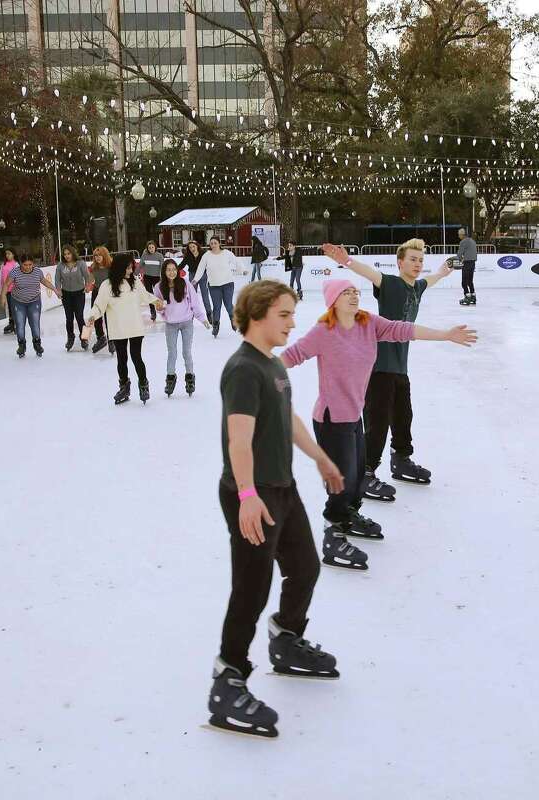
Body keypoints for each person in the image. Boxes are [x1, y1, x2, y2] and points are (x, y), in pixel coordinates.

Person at [207, 280, 344, 739]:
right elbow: (238, 439)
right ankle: (228, 678)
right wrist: (247, 496)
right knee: (252, 587)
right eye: (284, 314)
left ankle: (286, 638)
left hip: (282, 489)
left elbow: (287, 418)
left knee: (305, 568)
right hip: (254, 495)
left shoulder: (273, 365)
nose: (292, 322)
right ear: (259, 314)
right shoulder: (243, 369)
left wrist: (320, 458)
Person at [280, 279, 477, 571]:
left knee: (359, 473)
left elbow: (404, 330)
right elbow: (291, 356)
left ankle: (349, 514)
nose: (353, 296)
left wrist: (445, 335)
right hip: (331, 418)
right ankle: (332, 531)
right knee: (341, 477)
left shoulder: (369, 323)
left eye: (355, 292)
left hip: (354, 415)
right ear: (333, 300)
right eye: (346, 293)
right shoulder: (324, 331)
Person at [319, 239, 455, 501]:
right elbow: (370, 273)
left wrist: (442, 271)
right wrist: (345, 261)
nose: (417, 264)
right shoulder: (390, 284)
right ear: (400, 262)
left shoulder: (418, 287)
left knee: (404, 416)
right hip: (379, 366)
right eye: (412, 259)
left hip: (400, 367)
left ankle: (401, 459)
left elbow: (432, 280)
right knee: (377, 422)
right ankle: (365, 473)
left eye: (420, 260)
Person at [82, 253, 164, 405]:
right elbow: (100, 305)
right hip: (118, 328)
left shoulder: (135, 283)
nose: (131, 270)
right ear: (119, 268)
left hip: (134, 327)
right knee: (122, 359)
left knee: (136, 357)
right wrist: (93, 316)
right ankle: (124, 386)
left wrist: (156, 301)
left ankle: (143, 384)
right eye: (128, 268)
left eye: (131, 267)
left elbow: (145, 295)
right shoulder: (107, 285)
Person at [154, 257, 210, 397]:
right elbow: (159, 307)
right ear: (164, 271)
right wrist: (160, 309)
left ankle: (190, 378)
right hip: (171, 325)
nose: (171, 272)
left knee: (186, 352)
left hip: (186, 323)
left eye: (174, 269)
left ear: (177, 271)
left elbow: (194, 303)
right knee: (172, 353)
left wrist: (202, 319)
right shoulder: (159, 287)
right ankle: (170, 379)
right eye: (168, 270)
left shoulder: (185, 283)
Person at [3, 253, 60, 358]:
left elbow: (44, 281)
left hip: (34, 301)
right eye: (25, 265)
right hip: (18, 302)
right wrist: (3, 297)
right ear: (21, 264)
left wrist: (55, 290)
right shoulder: (15, 272)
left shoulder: (37, 271)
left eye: (30, 264)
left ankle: (37, 344)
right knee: (20, 324)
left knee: (35, 324)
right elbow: (6, 284)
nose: (28, 267)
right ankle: (21, 345)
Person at [193, 236, 239, 337]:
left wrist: (242, 269)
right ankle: (216, 326)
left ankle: (233, 320)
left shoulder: (227, 253)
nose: (213, 245)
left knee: (228, 305)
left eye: (215, 243)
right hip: (214, 285)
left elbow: (236, 261)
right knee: (216, 307)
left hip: (228, 284)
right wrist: (196, 279)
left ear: (219, 244)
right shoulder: (206, 255)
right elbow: (201, 268)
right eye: (211, 243)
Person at [54, 245, 92, 351]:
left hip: (79, 294)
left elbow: (88, 276)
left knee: (79, 316)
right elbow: (57, 279)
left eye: (68, 253)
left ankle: (84, 338)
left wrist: (88, 286)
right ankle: (70, 337)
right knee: (69, 318)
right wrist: (58, 290)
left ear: (73, 253)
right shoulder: (60, 265)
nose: (67, 256)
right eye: (65, 254)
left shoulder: (81, 263)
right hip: (66, 295)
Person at [86, 245, 114, 354]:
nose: (97, 257)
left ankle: (111, 339)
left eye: (99, 255)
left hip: (109, 294)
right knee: (96, 316)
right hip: (97, 293)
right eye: (95, 256)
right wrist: (87, 286)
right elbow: (91, 280)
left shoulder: (111, 266)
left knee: (109, 317)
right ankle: (101, 337)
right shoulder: (93, 267)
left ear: (104, 255)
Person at [183, 239, 211, 321]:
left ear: (197, 246)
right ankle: (190, 315)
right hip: (192, 276)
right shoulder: (188, 256)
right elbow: (181, 265)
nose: (192, 248)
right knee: (191, 297)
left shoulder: (203, 254)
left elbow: (210, 264)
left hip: (203, 276)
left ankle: (209, 314)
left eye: (193, 246)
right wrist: (174, 269)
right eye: (190, 247)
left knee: (205, 296)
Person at [139, 241, 164, 321]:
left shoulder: (159, 256)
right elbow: (140, 265)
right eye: (149, 248)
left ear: (155, 247)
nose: (151, 249)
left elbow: (163, 267)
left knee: (159, 294)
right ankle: (153, 312)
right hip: (147, 278)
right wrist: (134, 273)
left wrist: (163, 277)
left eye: (152, 247)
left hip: (156, 278)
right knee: (149, 295)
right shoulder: (145, 255)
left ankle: (163, 310)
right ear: (147, 248)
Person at [0, 248, 20, 336]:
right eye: (6, 254)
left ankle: (17, 324)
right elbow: (1, 278)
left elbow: (18, 277)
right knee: (10, 308)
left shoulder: (16, 265)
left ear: (13, 254)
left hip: (14, 290)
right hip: (6, 290)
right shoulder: (3, 264)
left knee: (14, 307)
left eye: (9, 254)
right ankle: (11, 323)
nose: (7, 255)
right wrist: (0, 290)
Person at [457, 227, 478, 306]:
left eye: (459, 235)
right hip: (473, 263)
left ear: (462, 235)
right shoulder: (472, 241)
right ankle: (473, 296)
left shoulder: (463, 242)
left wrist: (458, 259)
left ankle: (467, 297)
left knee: (464, 282)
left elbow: (460, 253)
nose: (459, 236)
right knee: (470, 281)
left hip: (467, 263)